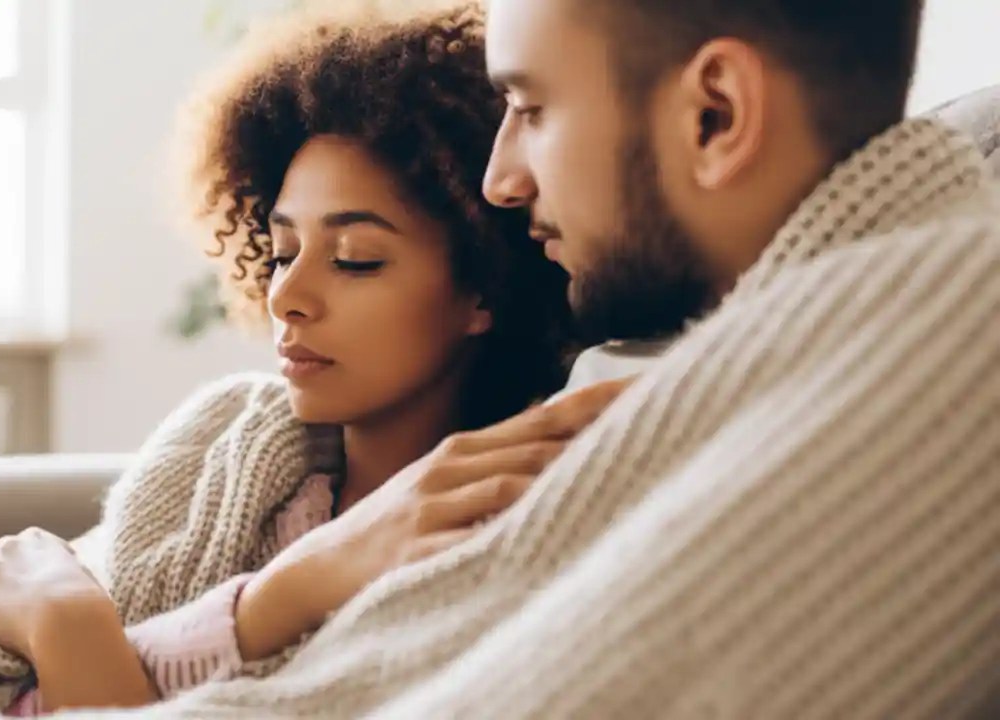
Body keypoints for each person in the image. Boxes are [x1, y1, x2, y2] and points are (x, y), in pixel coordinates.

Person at [77, 0, 993, 717]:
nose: (501, 183)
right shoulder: (776, 349)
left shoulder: (933, 344)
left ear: (716, 114)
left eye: (532, 107)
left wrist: (70, 635)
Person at [0, 3, 604, 714]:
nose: (286, 296)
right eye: (284, 251)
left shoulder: (491, 541)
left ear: (483, 290)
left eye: (355, 260)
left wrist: (70, 626)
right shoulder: (226, 446)